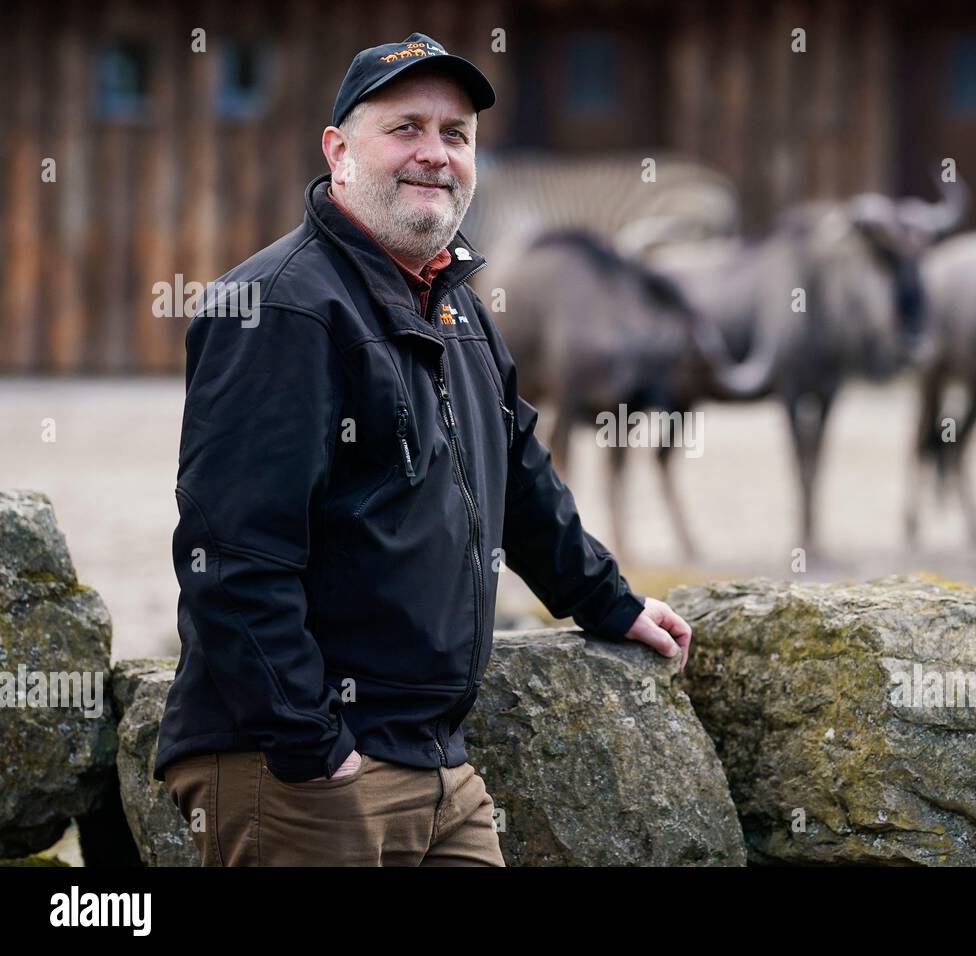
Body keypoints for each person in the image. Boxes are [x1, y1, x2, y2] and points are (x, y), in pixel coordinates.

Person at [153, 32, 692, 867]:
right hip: (299, 774)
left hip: (439, 765)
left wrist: (608, 601)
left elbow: (517, 474)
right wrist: (313, 744)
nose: (435, 154)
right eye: (405, 128)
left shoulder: (457, 309)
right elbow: (228, 555)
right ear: (338, 150)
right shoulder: (277, 309)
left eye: (457, 134)